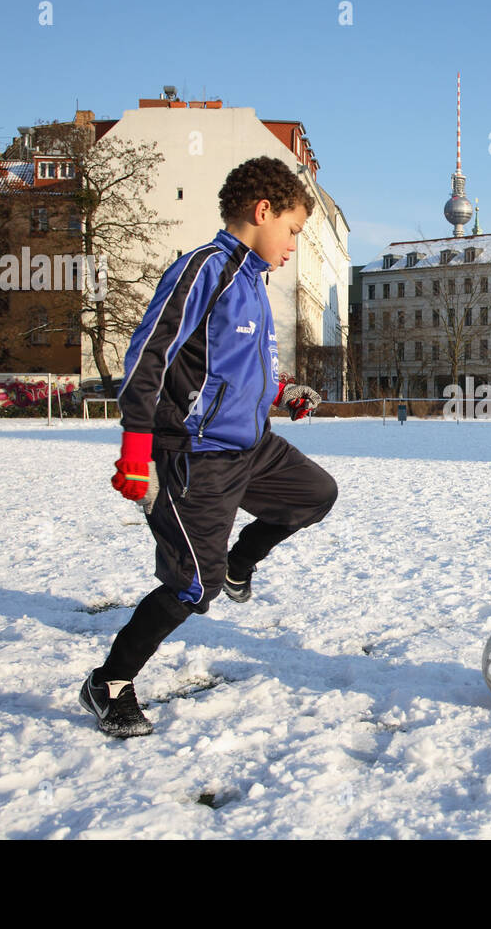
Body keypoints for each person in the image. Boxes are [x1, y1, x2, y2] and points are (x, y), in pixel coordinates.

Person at [79, 156, 338, 738]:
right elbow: (148, 356)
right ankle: (110, 683)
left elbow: (231, 372)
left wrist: (281, 392)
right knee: (194, 585)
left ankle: (243, 561)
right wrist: (135, 450)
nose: (295, 244)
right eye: (293, 230)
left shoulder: (254, 284)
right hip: (195, 456)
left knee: (316, 493)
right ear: (262, 211)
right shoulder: (205, 269)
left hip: (252, 447)